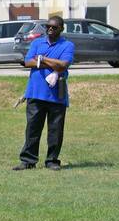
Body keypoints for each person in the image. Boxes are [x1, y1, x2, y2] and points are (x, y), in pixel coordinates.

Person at [14, 14, 74, 171]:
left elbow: (63, 66)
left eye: (54, 27)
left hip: (56, 94)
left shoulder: (67, 45)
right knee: (32, 128)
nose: (50, 30)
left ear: (61, 28)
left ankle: (52, 160)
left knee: (55, 130)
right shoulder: (37, 42)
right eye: (48, 27)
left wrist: (41, 59)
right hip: (35, 92)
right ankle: (28, 160)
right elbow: (28, 62)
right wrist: (52, 62)